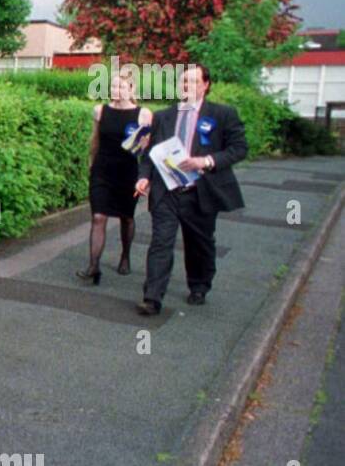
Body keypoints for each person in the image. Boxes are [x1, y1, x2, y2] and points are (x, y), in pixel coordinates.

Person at [135, 63, 247, 315]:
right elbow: (149, 154)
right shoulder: (163, 116)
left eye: (193, 82)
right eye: (184, 81)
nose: (187, 86)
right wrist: (144, 178)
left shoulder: (223, 115)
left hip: (200, 192)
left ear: (205, 85)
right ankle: (152, 297)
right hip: (167, 192)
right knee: (160, 242)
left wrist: (206, 161)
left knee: (199, 243)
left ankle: (199, 285)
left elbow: (239, 148)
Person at [77, 66, 152, 284]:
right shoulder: (100, 110)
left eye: (121, 86)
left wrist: (145, 176)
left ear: (131, 89)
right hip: (102, 170)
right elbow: (95, 140)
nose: (116, 90)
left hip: (128, 171)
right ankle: (93, 266)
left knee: (126, 218)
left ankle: (125, 255)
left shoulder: (143, 114)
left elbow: (145, 148)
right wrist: (91, 163)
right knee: (98, 216)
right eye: (113, 86)